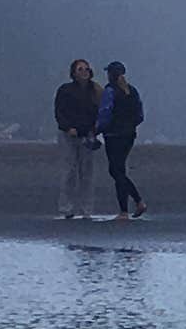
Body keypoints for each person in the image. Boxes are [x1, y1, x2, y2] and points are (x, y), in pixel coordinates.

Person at [54, 59, 100, 220]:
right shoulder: (65, 90)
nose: (84, 72)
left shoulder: (95, 90)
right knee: (69, 172)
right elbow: (59, 112)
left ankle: (87, 209)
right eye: (80, 69)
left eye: (86, 69)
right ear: (73, 72)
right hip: (68, 135)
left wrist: (95, 130)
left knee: (87, 173)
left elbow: (100, 111)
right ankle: (66, 208)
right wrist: (68, 127)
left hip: (87, 135)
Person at [100, 60, 146, 220]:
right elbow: (140, 115)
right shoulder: (132, 91)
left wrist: (97, 130)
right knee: (118, 170)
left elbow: (105, 113)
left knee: (116, 171)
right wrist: (131, 125)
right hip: (129, 135)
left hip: (113, 136)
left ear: (111, 75)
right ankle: (137, 202)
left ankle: (125, 210)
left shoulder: (110, 91)